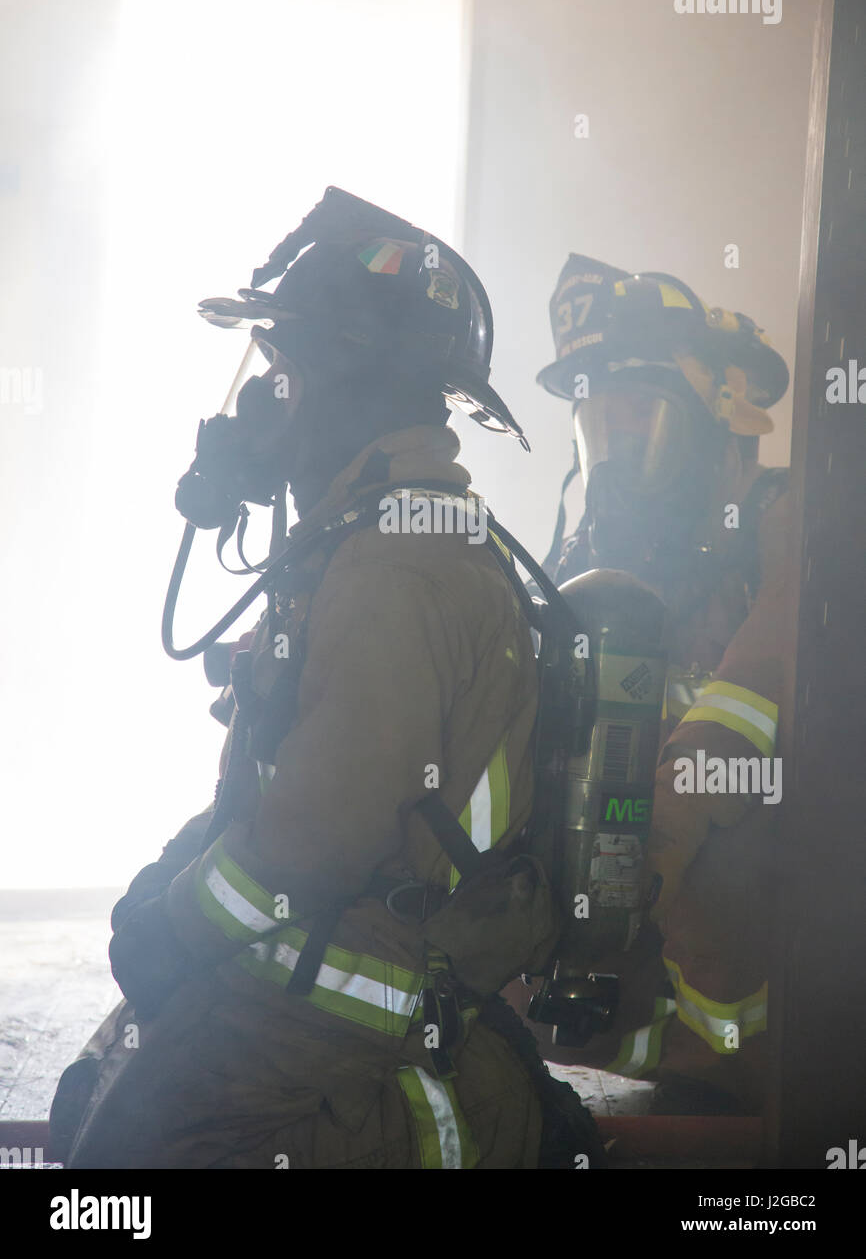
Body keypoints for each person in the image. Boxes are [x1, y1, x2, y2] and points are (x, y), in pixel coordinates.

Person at [50, 191, 603, 1169]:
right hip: (325, 951)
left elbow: (318, 835)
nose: (262, 404)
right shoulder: (361, 538)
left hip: (372, 980)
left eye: (282, 373)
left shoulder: (396, 564)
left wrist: (176, 927)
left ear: (351, 379)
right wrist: (185, 862)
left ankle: (483, 1112)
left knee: (129, 1156)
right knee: (89, 1100)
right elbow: (286, 782)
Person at [512, 253, 791, 1117]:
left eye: (641, 412)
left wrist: (653, 847)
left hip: (749, 860)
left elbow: (750, 695)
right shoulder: (598, 567)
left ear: (714, 419)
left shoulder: (786, 523)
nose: (618, 447)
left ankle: (735, 1075)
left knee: (724, 874)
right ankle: (644, 1049)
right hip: (641, 873)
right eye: (599, 421)